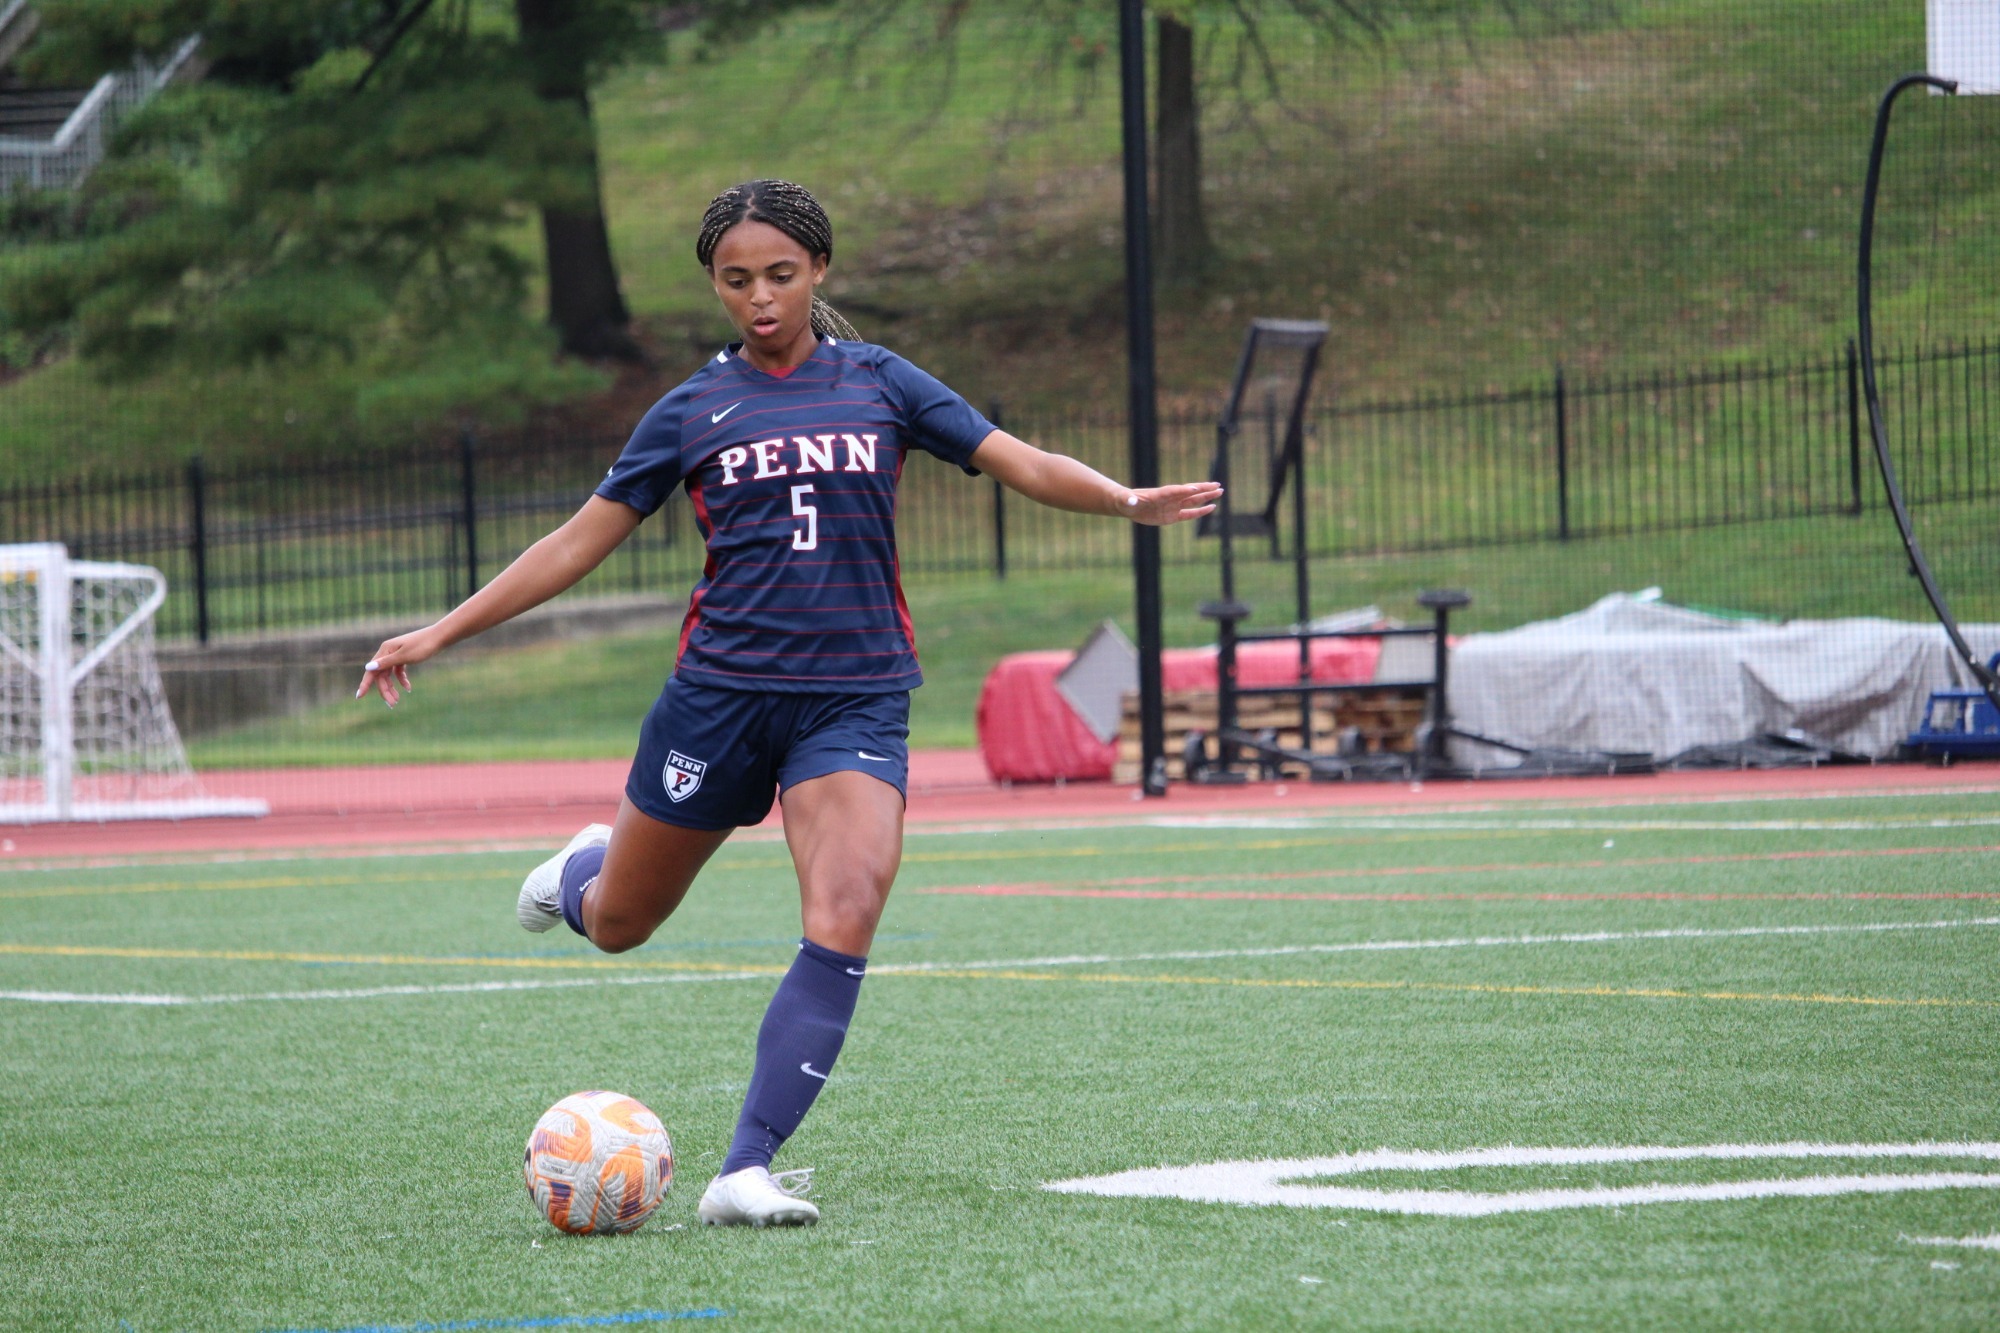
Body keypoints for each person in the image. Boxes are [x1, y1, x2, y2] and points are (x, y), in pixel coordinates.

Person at [356, 178, 1220, 1227]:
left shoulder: (883, 383)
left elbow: (1017, 459)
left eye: (778, 274)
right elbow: (576, 541)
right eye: (735, 280)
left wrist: (1124, 498)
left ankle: (743, 1169)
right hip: (716, 702)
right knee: (622, 923)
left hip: (852, 701)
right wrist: (440, 630)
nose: (759, 297)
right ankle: (581, 869)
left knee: (846, 907)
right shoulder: (689, 408)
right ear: (713, 286)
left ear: (817, 271)